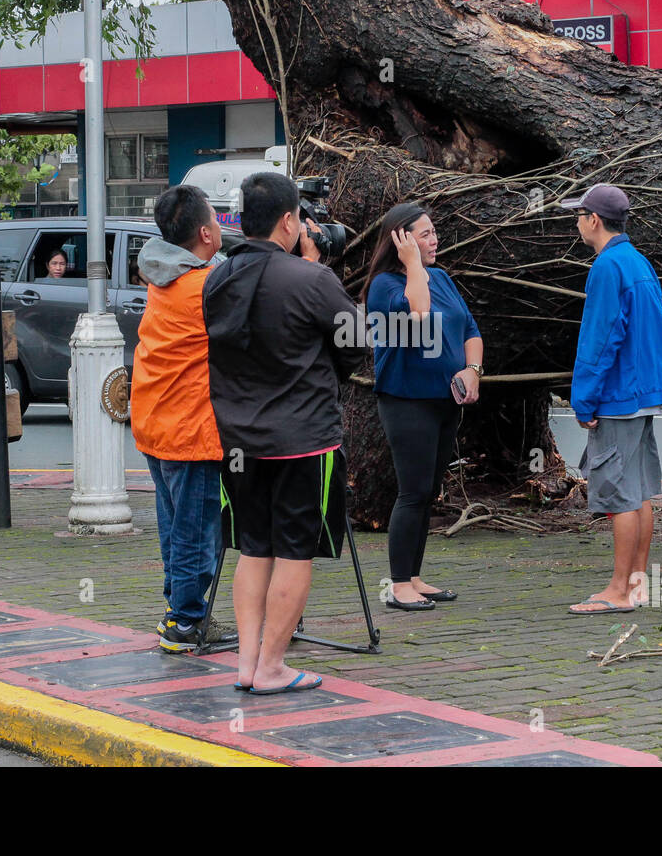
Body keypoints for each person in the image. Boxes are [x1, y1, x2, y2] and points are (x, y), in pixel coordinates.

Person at [202, 172, 363, 695]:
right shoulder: (310, 280)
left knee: (252, 548)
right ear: (290, 220)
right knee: (295, 551)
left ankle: (248, 663)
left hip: (238, 439)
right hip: (303, 439)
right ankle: (272, 665)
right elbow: (355, 344)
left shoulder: (216, 279)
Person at [130, 185, 237, 653]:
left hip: (155, 422)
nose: (220, 224)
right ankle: (187, 623)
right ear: (204, 232)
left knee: (175, 526)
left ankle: (178, 610)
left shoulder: (163, 276)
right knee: (196, 531)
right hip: (189, 428)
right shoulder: (205, 286)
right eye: (216, 218)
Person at [363, 203, 483, 612]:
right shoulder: (384, 285)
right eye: (425, 234)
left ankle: (414, 577)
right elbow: (419, 313)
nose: (434, 241)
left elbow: (469, 329)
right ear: (401, 238)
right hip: (406, 400)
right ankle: (398, 585)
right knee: (413, 492)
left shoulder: (443, 278)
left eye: (434, 233)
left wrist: (473, 370)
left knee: (429, 490)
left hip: (445, 400)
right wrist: (413, 263)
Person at [562, 184, 662, 615]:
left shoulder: (607, 266)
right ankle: (636, 584)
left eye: (579, 214)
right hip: (644, 392)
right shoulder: (637, 261)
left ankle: (619, 591)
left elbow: (601, 338)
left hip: (618, 396)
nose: (577, 222)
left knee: (620, 494)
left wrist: (583, 400)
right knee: (639, 491)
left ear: (593, 219)